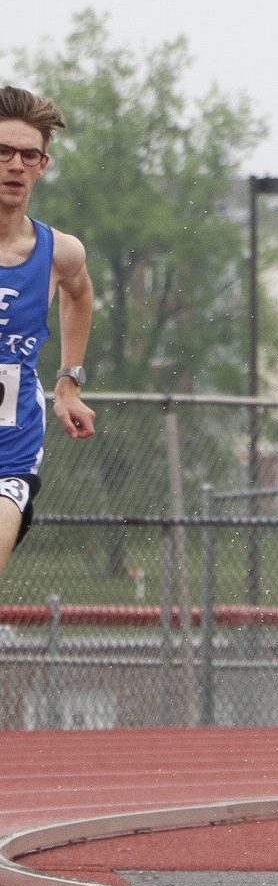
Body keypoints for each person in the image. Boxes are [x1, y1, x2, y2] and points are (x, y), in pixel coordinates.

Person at [0, 87, 95, 578]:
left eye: (28, 155)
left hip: (8, 449)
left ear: (42, 165)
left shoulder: (60, 252)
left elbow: (79, 295)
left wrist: (68, 384)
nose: (15, 164)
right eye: (3, 152)